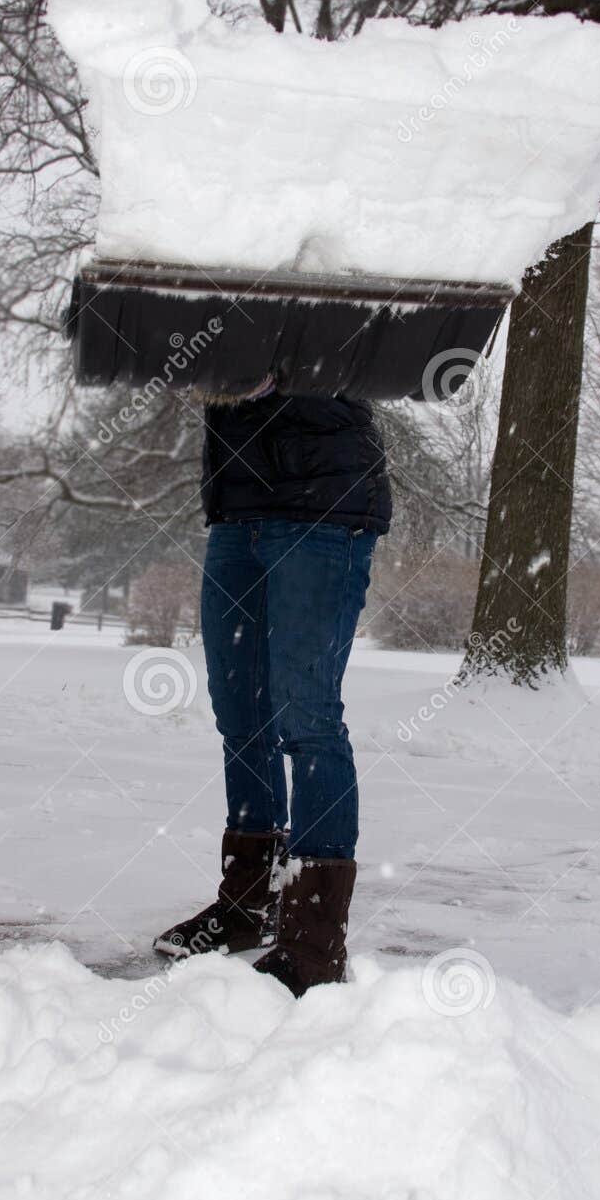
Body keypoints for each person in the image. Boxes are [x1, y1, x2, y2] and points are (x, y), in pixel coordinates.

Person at [154, 381, 391, 995]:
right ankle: (246, 905)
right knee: (241, 714)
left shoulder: (328, 290)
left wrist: (269, 365)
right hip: (237, 511)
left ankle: (314, 942)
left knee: (306, 716)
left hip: (324, 508)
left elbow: (371, 348)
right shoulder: (222, 296)